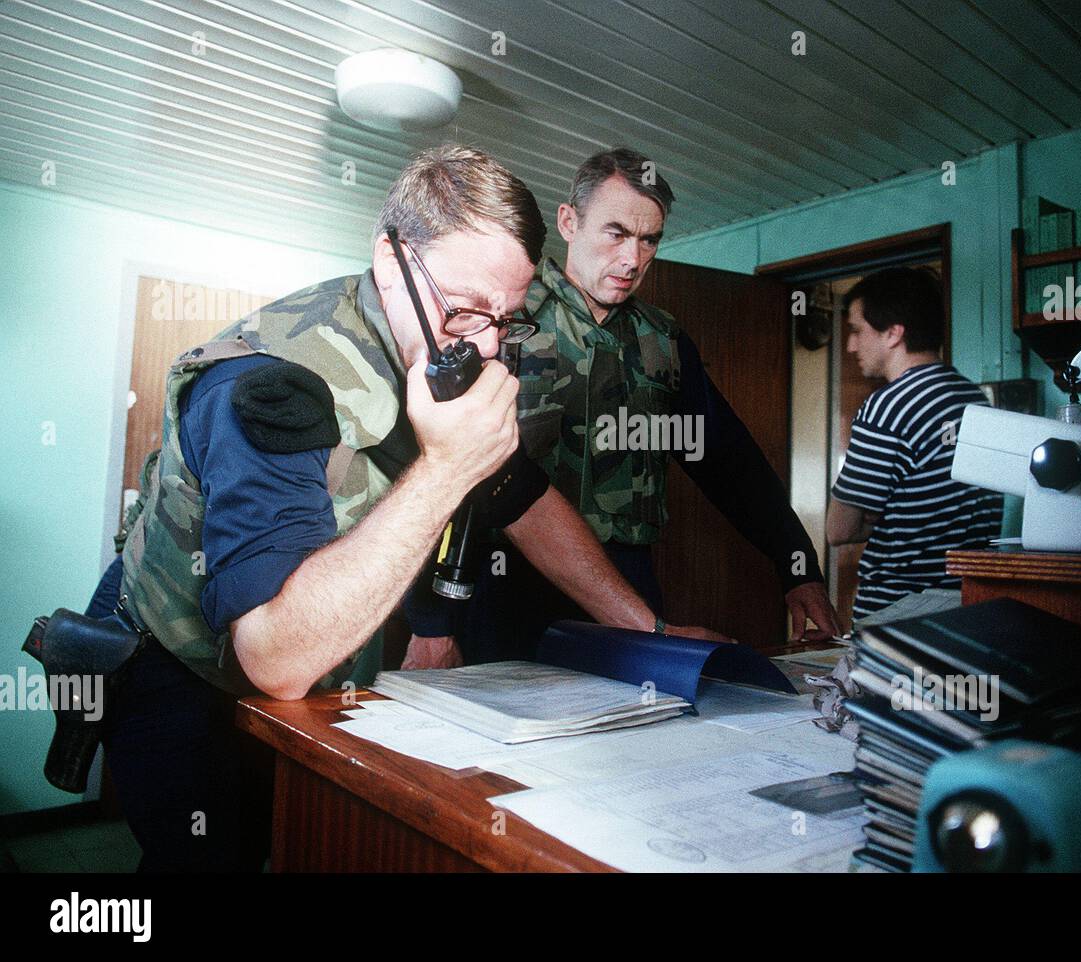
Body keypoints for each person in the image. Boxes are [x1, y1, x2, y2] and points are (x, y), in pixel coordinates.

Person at [88, 145, 722, 871]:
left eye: (507, 318)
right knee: (210, 857)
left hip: (314, 677)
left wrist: (650, 631)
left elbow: (524, 501)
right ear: (391, 261)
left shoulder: (450, 347)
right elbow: (273, 658)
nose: (486, 345)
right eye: (466, 309)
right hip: (178, 668)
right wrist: (447, 468)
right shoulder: (269, 385)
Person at [417, 147, 839, 667]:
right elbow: (440, 473)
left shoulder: (663, 343)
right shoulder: (501, 321)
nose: (632, 259)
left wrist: (797, 566)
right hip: (504, 587)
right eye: (615, 233)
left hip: (625, 592)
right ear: (569, 222)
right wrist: (431, 622)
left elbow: (731, 463)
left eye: (648, 240)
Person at [825, 267, 1003, 626]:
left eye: (857, 330)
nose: (851, 345)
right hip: (969, 605)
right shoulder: (976, 400)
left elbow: (838, 530)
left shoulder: (886, 407)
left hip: (898, 612)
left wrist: (880, 515)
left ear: (893, 332)